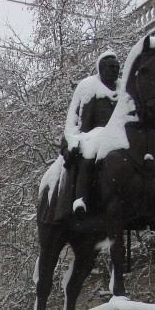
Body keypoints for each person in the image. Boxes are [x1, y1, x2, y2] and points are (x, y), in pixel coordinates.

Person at [62, 51, 121, 217]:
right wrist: (72, 144)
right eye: (111, 67)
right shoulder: (88, 87)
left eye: (117, 67)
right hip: (93, 138)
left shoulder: (123, 89)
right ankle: (81, 200)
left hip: (119, 138)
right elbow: (73, 120)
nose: (115, 70)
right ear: (101, 69)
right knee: (87, 160)